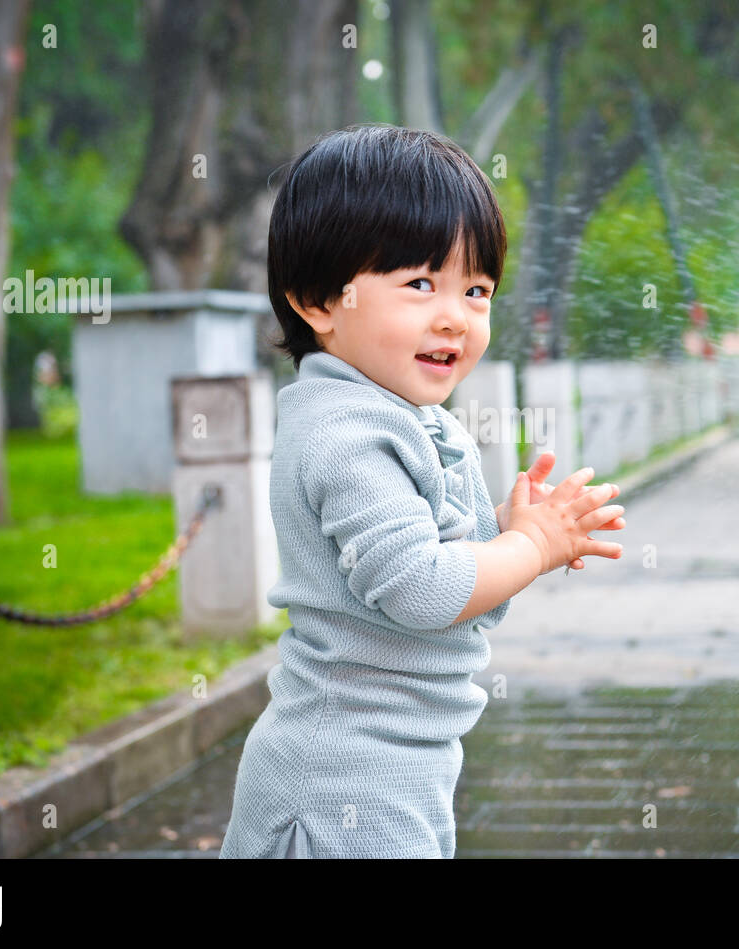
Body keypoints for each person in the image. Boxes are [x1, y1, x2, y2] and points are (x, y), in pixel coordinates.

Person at [218, 125, 628, 859]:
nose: (454, 316)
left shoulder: (397, 415)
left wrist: (505, 527)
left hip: (393, 769)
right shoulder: (347, 432)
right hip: (341, 789)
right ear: (318, 299)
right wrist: (528, 546)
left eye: (476, 290)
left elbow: (445, 578)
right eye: (419, 284)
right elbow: (422, 590)